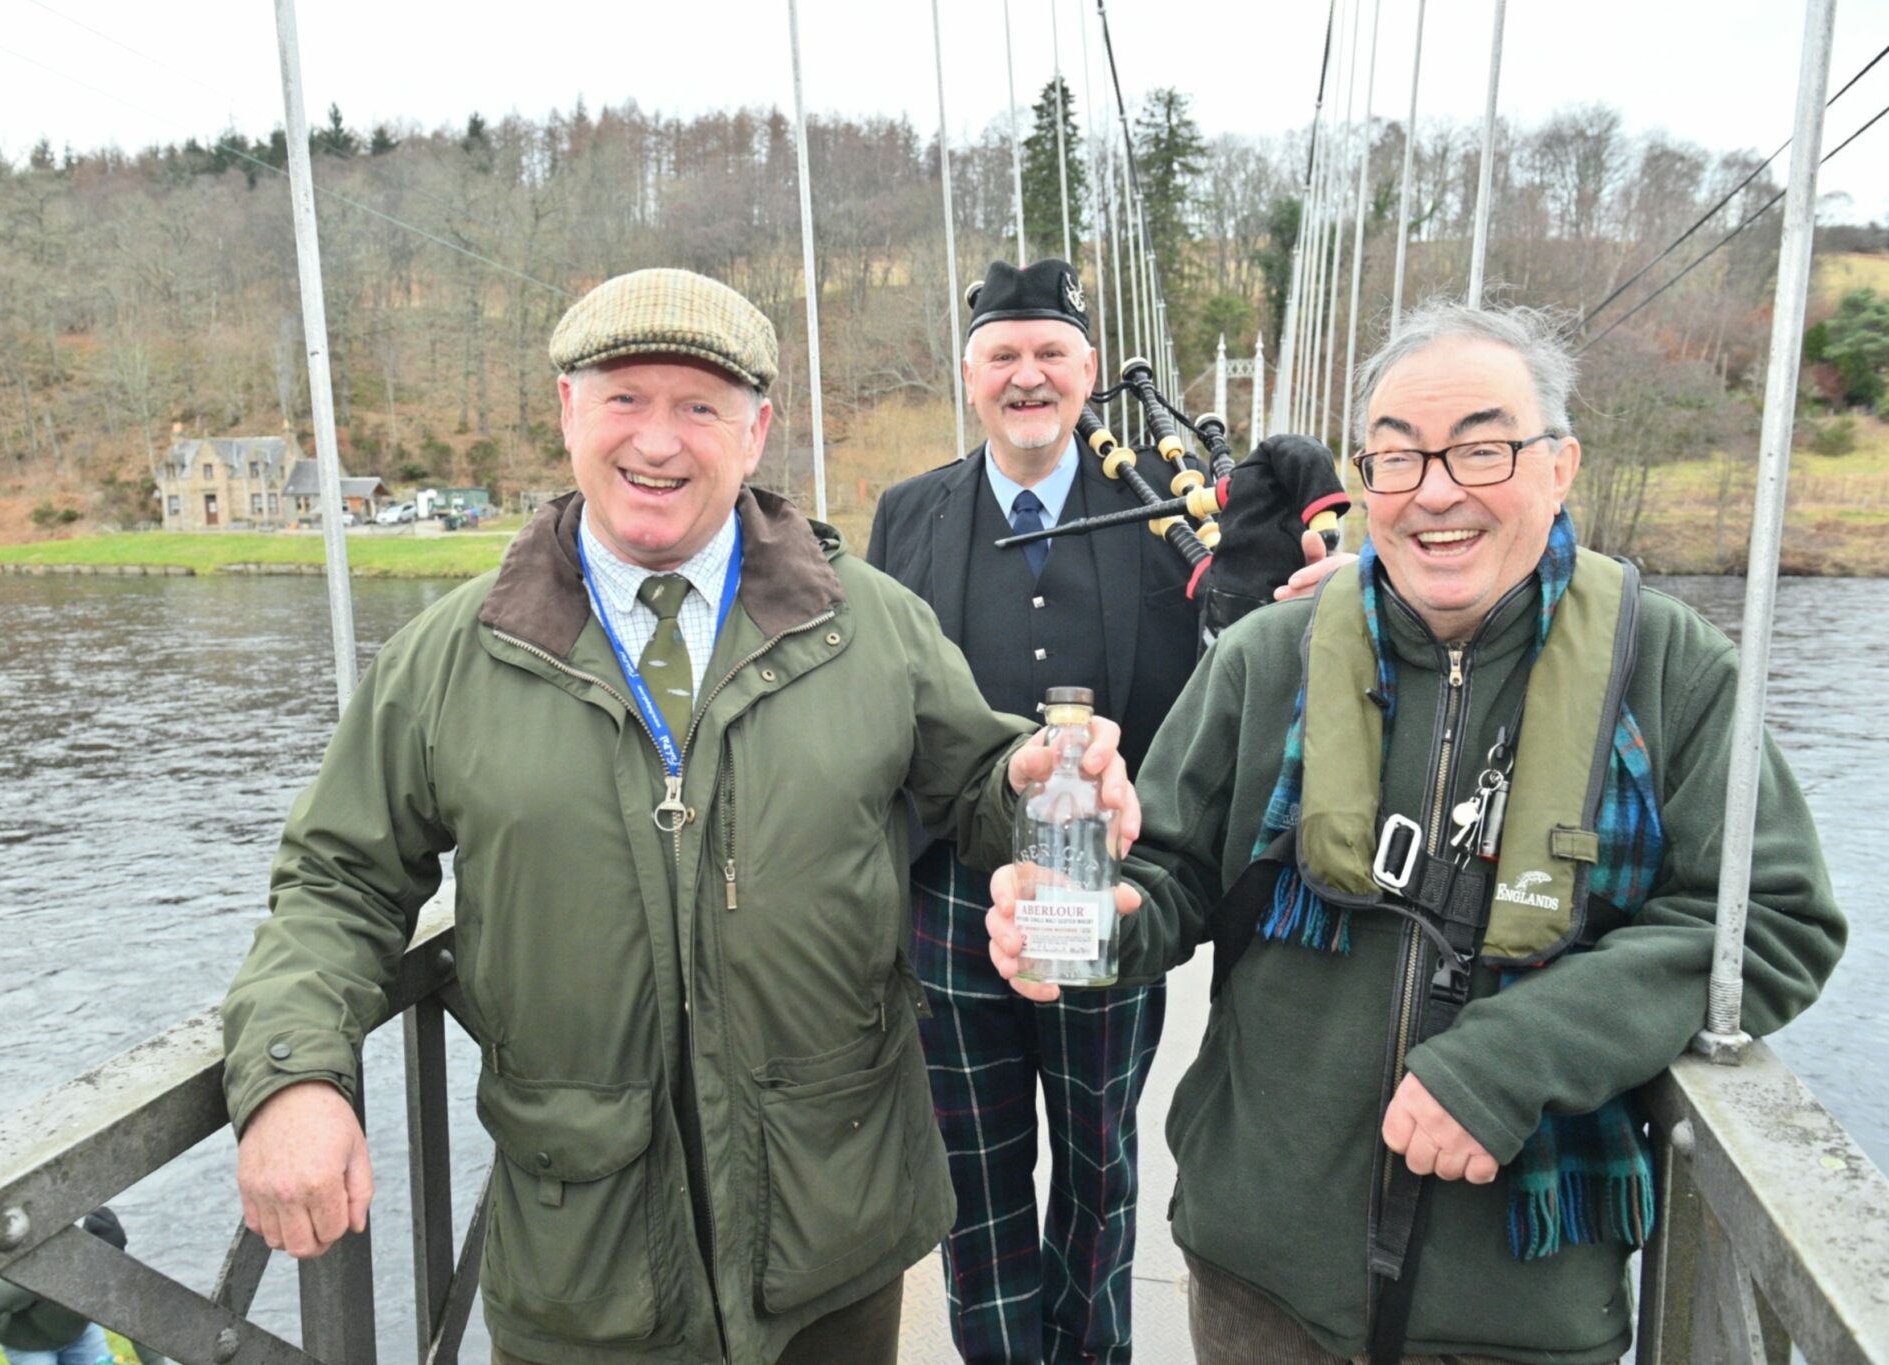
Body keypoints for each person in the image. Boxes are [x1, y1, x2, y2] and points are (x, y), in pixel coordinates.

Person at [219, 267, 1141, 1365]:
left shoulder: (870, 627)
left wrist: (1037, 777)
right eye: (623, 399)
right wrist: (292, 1074)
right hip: (584, 1265)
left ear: (754, 434)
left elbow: (977, 783)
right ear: (566, 413)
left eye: (698, 407)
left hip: (829, 1245)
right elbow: (338, 880)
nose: (656, 442)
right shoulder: (451, 657)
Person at [985, 300, 1847, 1363]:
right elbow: (1165, 882)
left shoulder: (1669, 673)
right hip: (1261, 1278)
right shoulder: (1263, 660)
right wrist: (1092, 925)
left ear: (1558, 466)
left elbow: (1771, 922)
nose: (1435, 493)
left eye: (1481, 450)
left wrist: (1512, 1060)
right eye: (1395, 460)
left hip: (1517, 1310)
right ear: (1363, 484)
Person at [864, 257, 1202, 1362]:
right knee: (977, 1172)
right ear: (968, 376)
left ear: (1087, 371)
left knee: (1101, 1165)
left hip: (1108, 894)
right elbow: (870, 704)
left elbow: (1233, 659)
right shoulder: (906, 514)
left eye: (1049, 352)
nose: (1026, 375)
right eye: (1002, 355)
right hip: (947, 899)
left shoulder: (1164, 512)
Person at [0, 1207, 164, 1365]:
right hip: (27, 1343)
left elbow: (135, 1324)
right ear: (90, 1257)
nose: (111, 1273)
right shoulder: (42, 1276)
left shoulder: (112, 1275)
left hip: (79, 1334)